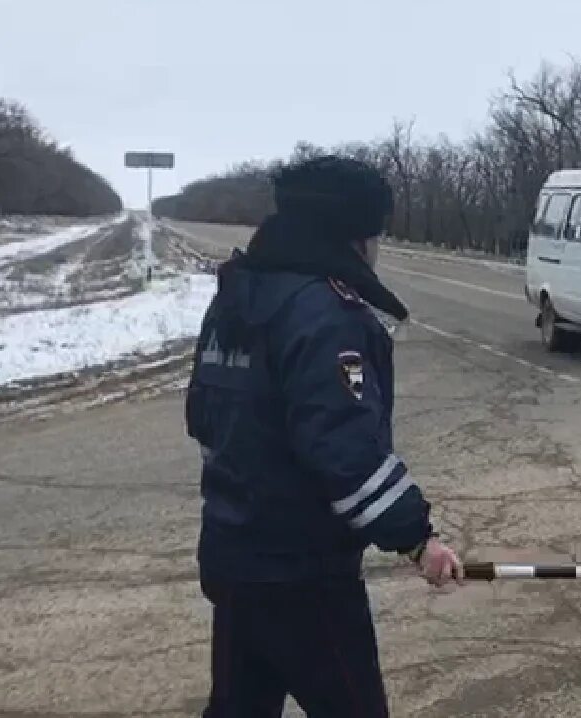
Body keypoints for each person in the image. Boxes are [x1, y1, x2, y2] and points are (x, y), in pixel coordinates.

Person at [185, 155, 463, 717]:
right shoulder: (326, 314)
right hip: (300, 575)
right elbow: (344, 450)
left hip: (233, 555)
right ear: (352, 235)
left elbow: (202, 416)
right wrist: (416, 538)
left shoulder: (239, 295)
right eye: (374, 233)